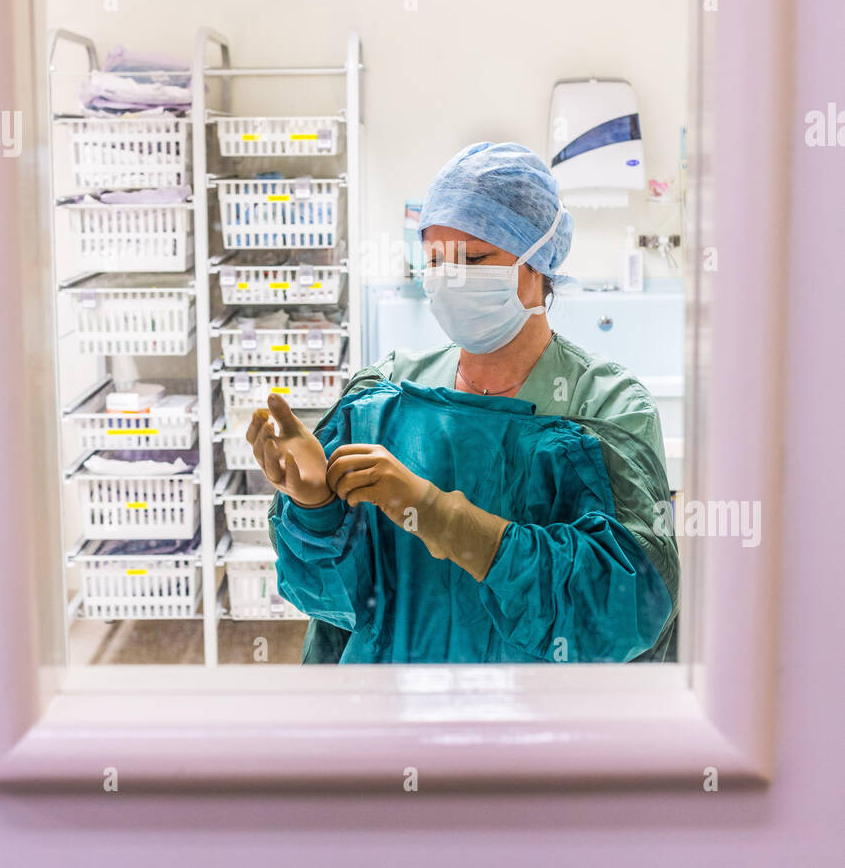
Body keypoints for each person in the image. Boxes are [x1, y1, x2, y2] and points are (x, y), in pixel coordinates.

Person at [247, 141, 680, 664]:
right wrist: (314, 505)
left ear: (536, 262)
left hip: (540, 728)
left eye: (474, 260)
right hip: (397, 718)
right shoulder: (384, 396)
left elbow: (626, 606)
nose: (450, 279)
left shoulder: (603, 408)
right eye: (434, 260)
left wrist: (440, 516)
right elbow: (338, 604)